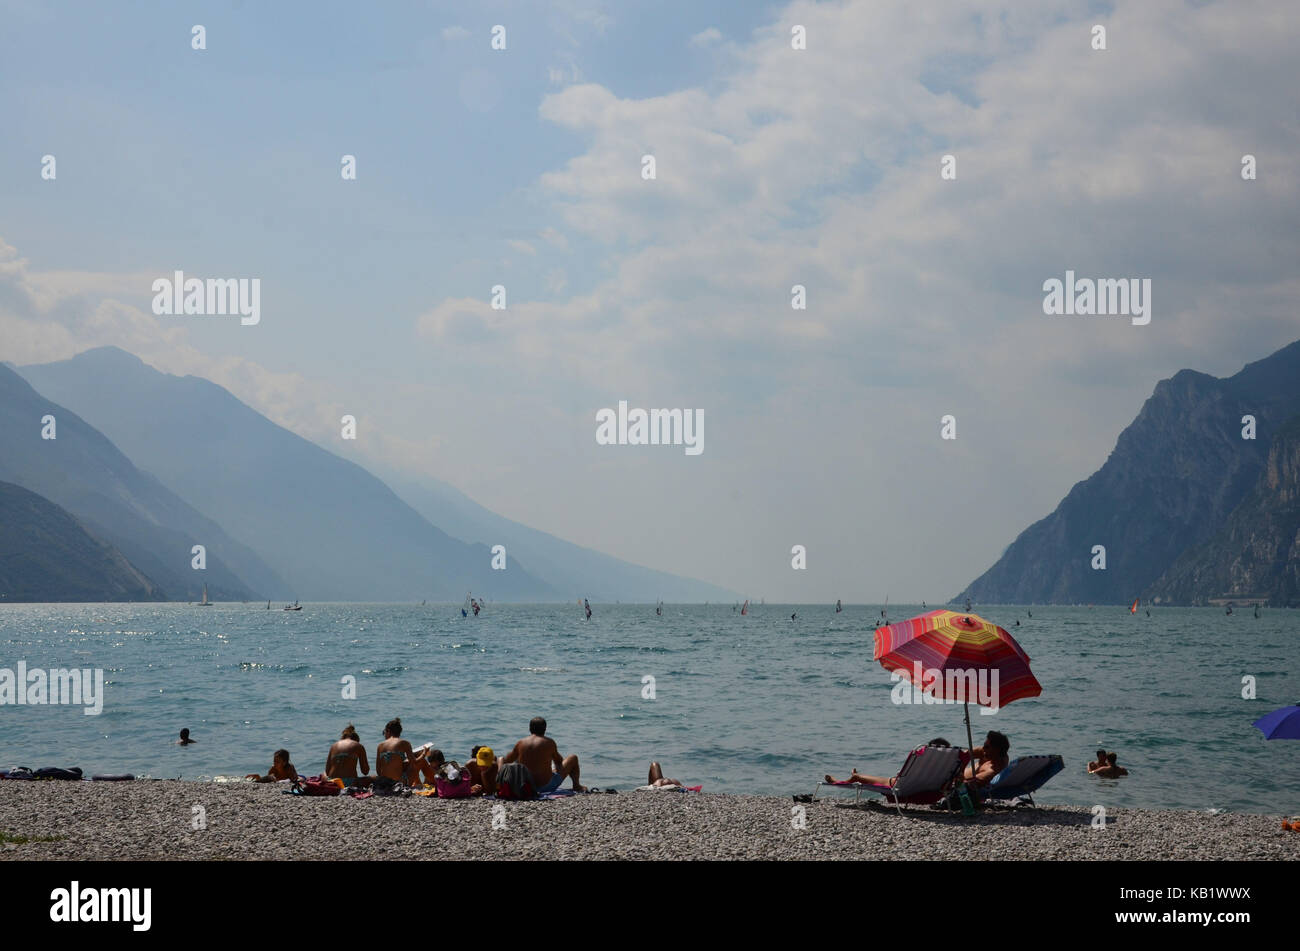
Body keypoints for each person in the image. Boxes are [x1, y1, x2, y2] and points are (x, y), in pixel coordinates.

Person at [500, 716, 585, 793]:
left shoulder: (521, 743)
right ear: (545, 729)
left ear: (530, 729)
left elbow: (507, 760)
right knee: (573, 758)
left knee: (508, 760)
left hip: (526, 787)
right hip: (545, 787)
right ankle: (576, 786)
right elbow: (559, 762)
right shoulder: (549, 742)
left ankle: (497, 786)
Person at [825, 738, 951, 786]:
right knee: (862, 777)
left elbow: (905, 776)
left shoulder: (921, 764)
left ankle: (839, 781)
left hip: (897, 785)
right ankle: (857, 776)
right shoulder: (945, 767)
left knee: (857, 777)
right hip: (923, 789)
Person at [375, 717, 429, 786]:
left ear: (388, 731)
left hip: (383, 783)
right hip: (398, 783)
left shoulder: (380, 745)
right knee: (416, 765)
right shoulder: (404, 743)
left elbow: (378, 770)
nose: (384, 735)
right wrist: (424, 752)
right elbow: (414, 762)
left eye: (384, 732)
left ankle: (419, 783)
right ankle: (426, 783)